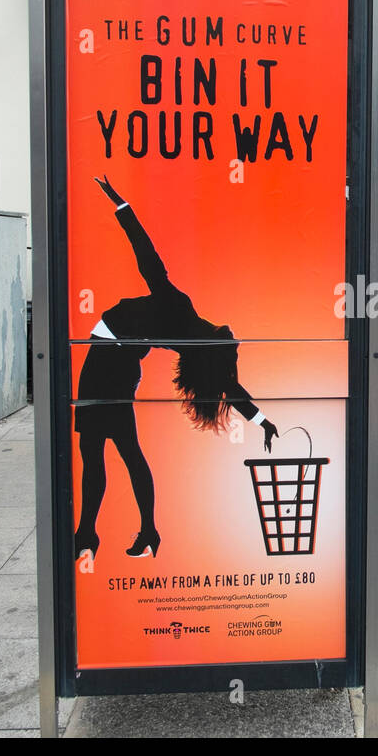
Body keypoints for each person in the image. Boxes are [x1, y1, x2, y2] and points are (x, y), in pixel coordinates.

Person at [73, 175, 278, 561]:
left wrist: (123, 208)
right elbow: (230, 387)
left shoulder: (182, 313)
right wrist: (262, 421)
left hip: (107, 362)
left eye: (230, 340)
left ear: (217, 338)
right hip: (113, 362)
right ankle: (133, 531)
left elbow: (147, 259)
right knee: (115, 450)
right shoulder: (193, 337)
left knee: (100, 450)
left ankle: (97, 533)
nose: (232, 334)